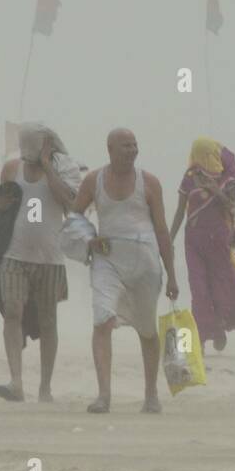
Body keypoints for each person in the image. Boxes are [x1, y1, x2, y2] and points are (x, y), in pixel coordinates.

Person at [72, 128, 179, 413]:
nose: (132, 151)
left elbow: (162, 230)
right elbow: (75, 217)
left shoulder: (150, 183)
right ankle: (104, 395)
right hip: (107, 260)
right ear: (110, 149)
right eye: (125, 146)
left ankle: (151, 394)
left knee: (147, 330)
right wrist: (90, 239)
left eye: (134, 145)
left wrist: (172, 274)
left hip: (145, 262)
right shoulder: (94, 181)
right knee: (102, 320)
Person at [0, 122, 79, 402]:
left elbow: (71, 204)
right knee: (13, 311)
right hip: (14, 255)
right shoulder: (11, 169)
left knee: (48, 320)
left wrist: (47, 167)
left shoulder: (65, 170)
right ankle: (16, 382)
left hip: (50, 258)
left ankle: (45, 387)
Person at [170, 137, 235, 352]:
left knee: (220, 287)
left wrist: (216, 191)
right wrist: (168, 239)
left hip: (219, 240)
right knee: (199, 289)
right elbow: (180, 211)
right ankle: (201, 336)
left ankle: (219, 328)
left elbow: (234, 208)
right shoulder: (189, 178)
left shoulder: (230, 179)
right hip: (194, 242)